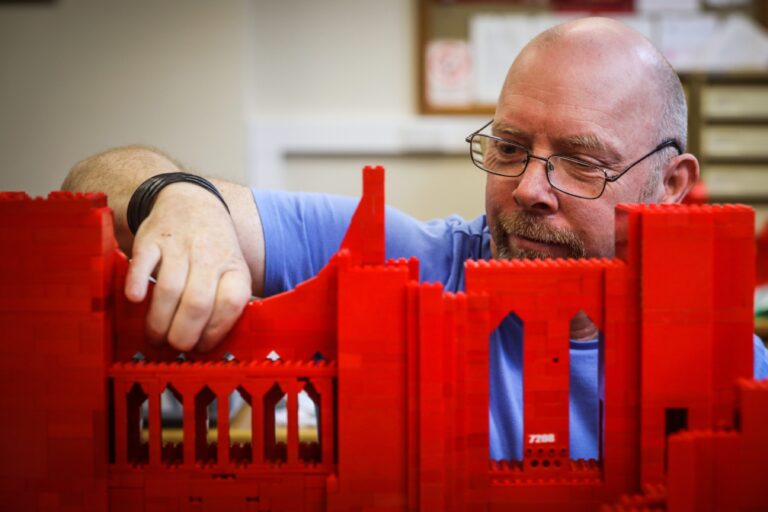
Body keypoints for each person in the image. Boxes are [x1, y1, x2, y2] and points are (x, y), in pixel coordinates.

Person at [62, 17, 768, 460]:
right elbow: (92, 185)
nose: (527, 188)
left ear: (672, 184)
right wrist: (178, 198)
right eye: (509, 148)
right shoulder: (407, 261)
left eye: (581, 162)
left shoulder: (737, 372)